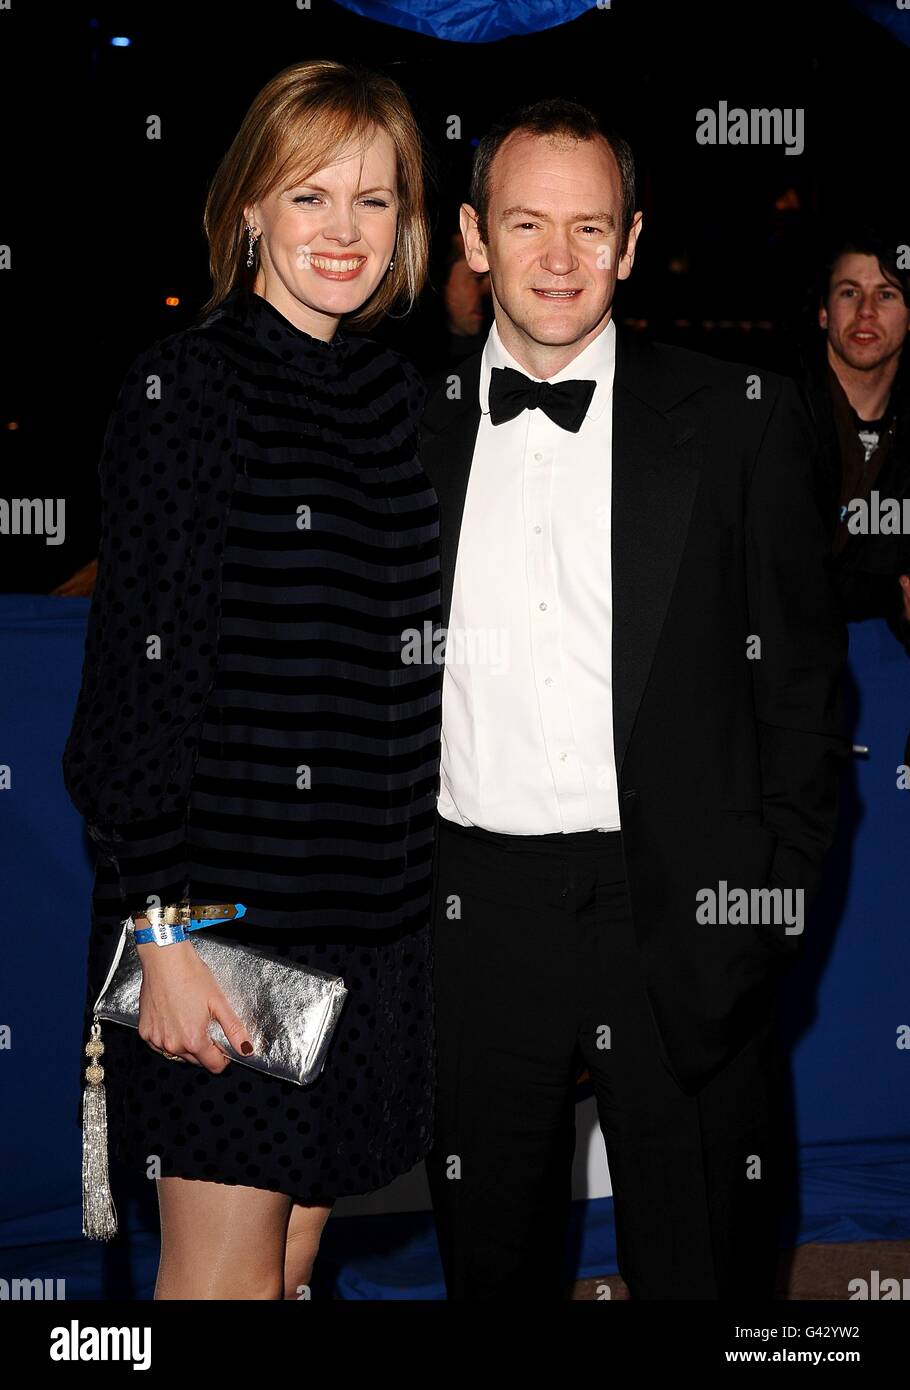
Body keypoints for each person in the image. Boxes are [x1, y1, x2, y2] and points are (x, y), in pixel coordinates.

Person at [420, 98, 850, 1300]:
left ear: (630, 238)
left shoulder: (737, 423)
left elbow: (806, 699)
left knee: (705, 1269)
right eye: (525, 223)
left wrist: (763, 917)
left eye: (588, 226)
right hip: (474, 921)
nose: (558, 258)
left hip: (679, 906)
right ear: (471, 236)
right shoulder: (402, 432)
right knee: (488, 1267)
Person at [63, 58, 439, 1300]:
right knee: (220, 1281)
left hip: (371, 930)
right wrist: (159, 929)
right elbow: (132, 689)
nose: (342, 231)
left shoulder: (394, 397)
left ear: (408, 227)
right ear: (249, 211)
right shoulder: (191, 386)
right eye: (310, 195)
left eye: (373, 201)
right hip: (224, 928)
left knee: (289, 1265)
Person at [799, 233, 910, 650]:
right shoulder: (776, 421)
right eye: (850, 292)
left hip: (882, 661)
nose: (866, 312)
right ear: (825, 312)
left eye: (886, 294)